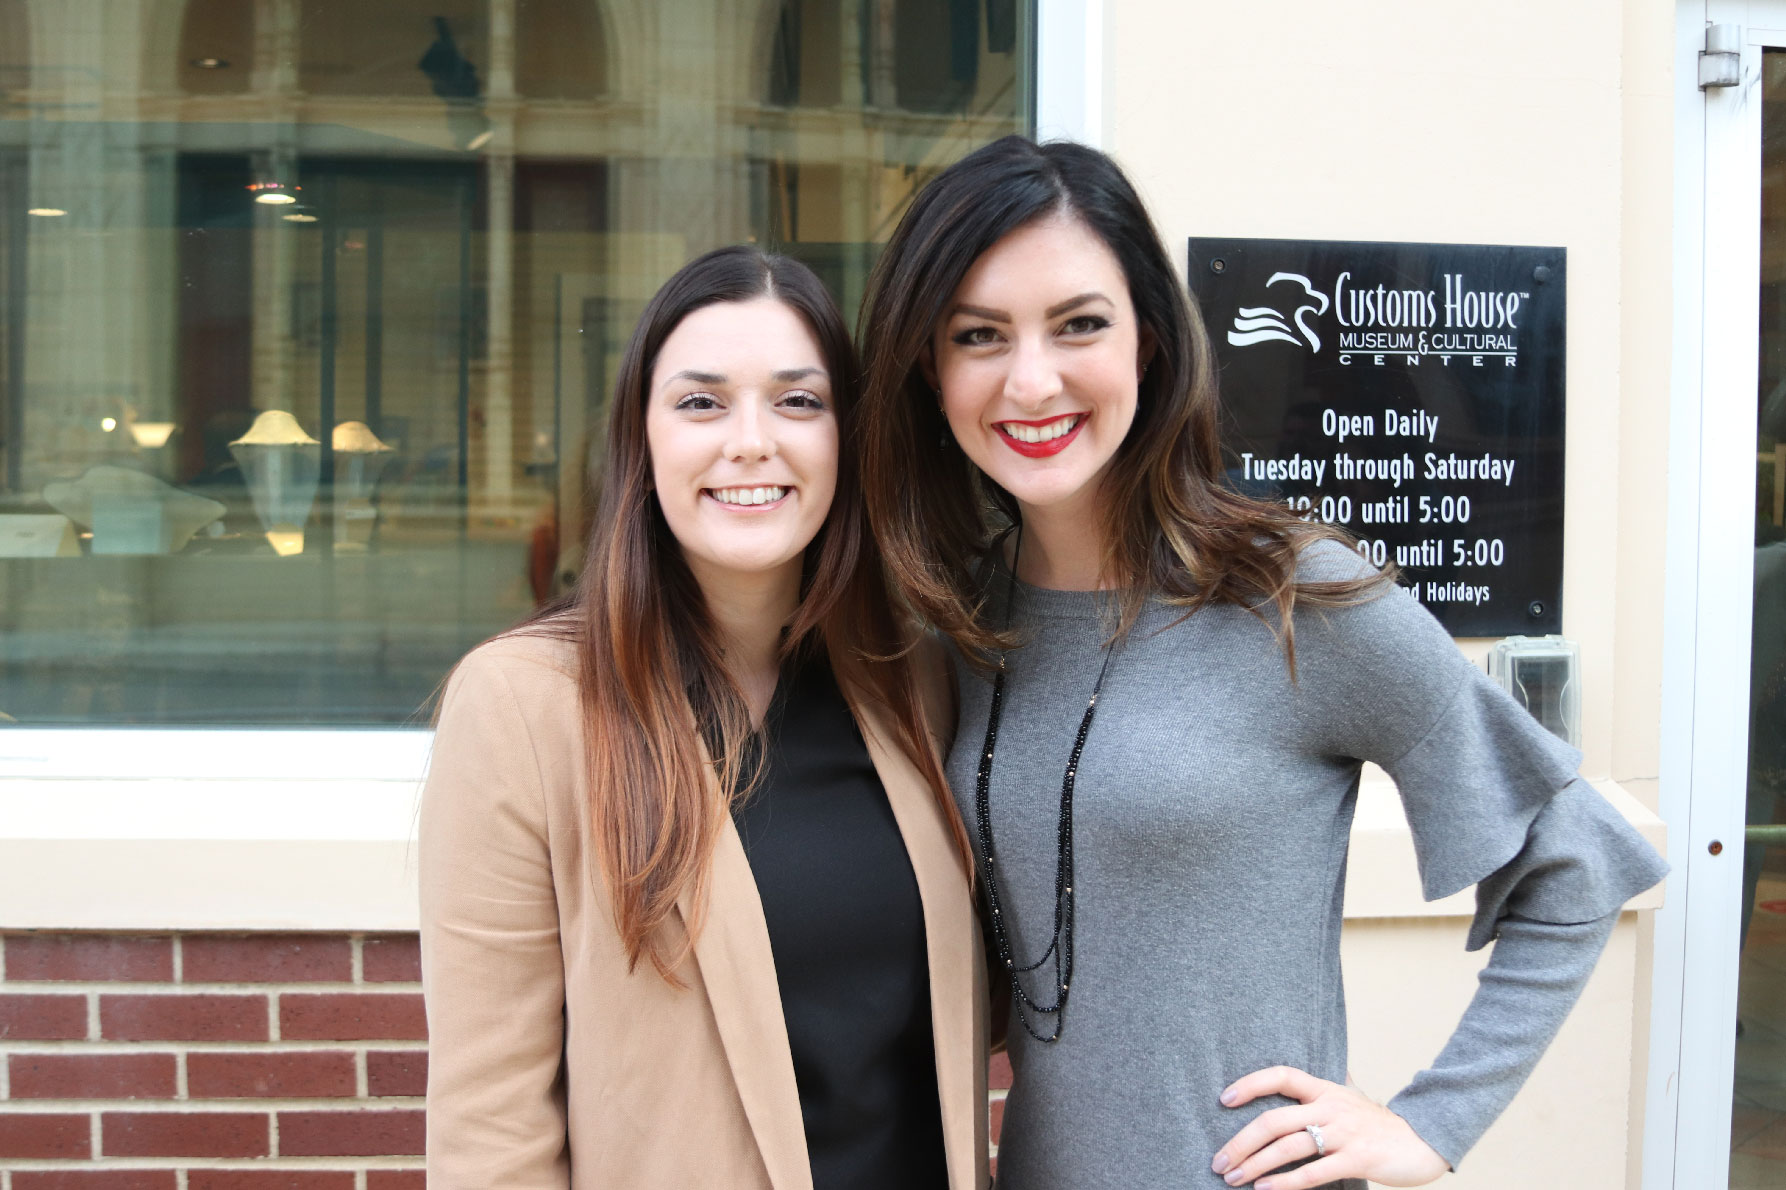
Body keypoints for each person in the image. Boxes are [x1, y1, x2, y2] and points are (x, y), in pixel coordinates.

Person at [854, 135, 1668, 1190]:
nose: (1032, 378)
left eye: (1079, 324)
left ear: (1147, 339)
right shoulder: (964, 614)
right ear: (930, 365)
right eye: (978, 334)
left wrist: (1431, 1121)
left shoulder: (1292, 594)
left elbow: (1577, 857)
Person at [419, 246, 989, 1190]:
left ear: (848, 439)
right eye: (701, 402)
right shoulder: (523, 706)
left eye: (799, 401)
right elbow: (491, 1131)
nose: (752, 440)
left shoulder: (913, 683)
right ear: (641, 439)